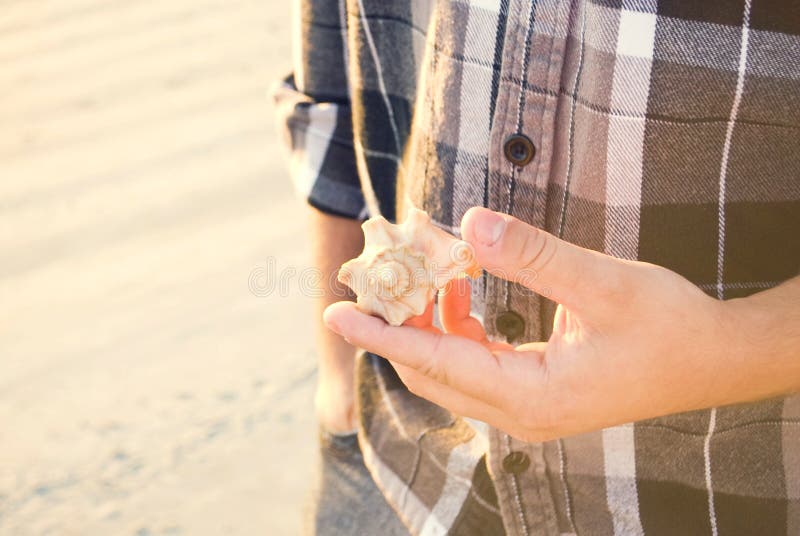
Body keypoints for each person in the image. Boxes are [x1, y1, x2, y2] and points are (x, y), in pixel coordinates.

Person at [274, 1, 800, 534]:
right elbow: (334, 88)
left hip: (717, 500)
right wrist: (339, 391)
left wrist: (728, 350)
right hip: (398, 469)